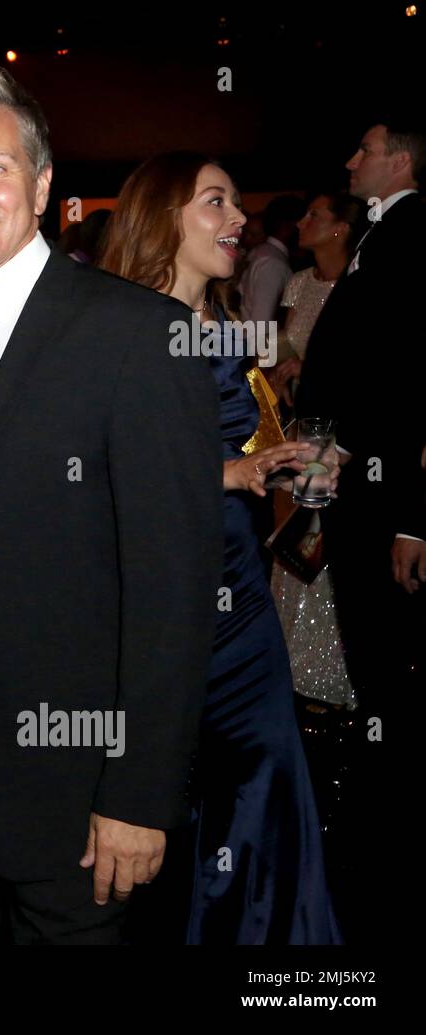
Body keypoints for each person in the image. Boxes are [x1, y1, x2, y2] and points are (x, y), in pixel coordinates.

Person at [0, 59, 223, 945]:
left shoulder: (140, 337)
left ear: (42, 185)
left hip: (81, 808)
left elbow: (174, 588)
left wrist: (140, 795)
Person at [99, 152, 341, 943]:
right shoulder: (118, 329)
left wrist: (297, 463)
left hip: (245, 598)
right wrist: (228, 470)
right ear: (163, 217)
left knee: (269, 782)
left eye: (237, 201)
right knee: (181, 796)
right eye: (216, 201)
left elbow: (253, 441)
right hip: (165, 602)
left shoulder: (231, 326)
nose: (238, 217)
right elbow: (96, 474)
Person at [297, 116, 425, 943]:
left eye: (366, 148)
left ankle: (393, 819)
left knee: (386, 652)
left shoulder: (415, 235)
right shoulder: (387, 234)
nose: (351, 159)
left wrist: (413, 514)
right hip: (355, 479)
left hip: (382, 490)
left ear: (402, 159)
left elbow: (412, 376)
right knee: (368, 644)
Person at [269, 191, 363, 710]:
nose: (301, 223)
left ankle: (337, 672)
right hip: (300, 431)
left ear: (340, 230)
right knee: (296, 540)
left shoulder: (361, 285)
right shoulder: (298, 283)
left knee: (330, 542)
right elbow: (281, 345)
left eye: (315, 216)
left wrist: (314, 370)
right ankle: (293, 666)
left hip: (342, 439)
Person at [239, 194, 305, 327]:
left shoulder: (263, 254)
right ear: (288, 225)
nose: (305, 226)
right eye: (302, 221)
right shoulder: (273, 263)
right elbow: (261, 325)